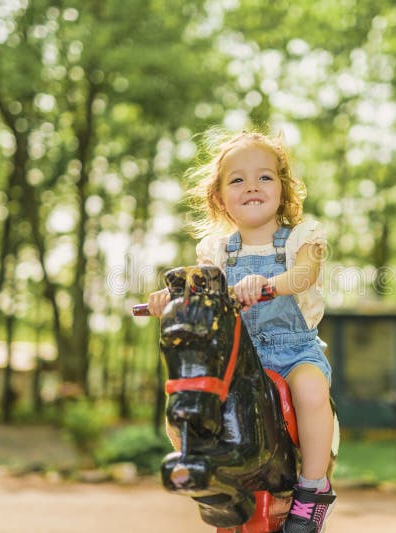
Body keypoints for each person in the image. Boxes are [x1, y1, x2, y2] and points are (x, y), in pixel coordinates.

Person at [148, 129, 335, 533]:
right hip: (237, 358)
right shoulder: (215, 251)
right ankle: (204, 472)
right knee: (183, 405)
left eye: (265, 177)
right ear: (219, 197)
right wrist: (170, 299)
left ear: (283, 189)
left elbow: (303, 276)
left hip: (293, 352)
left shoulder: (301, 239)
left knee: (311, 391)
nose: (252, 185)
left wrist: (268, 285)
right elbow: (198, 292)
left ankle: (313, 490)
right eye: (238, 179)